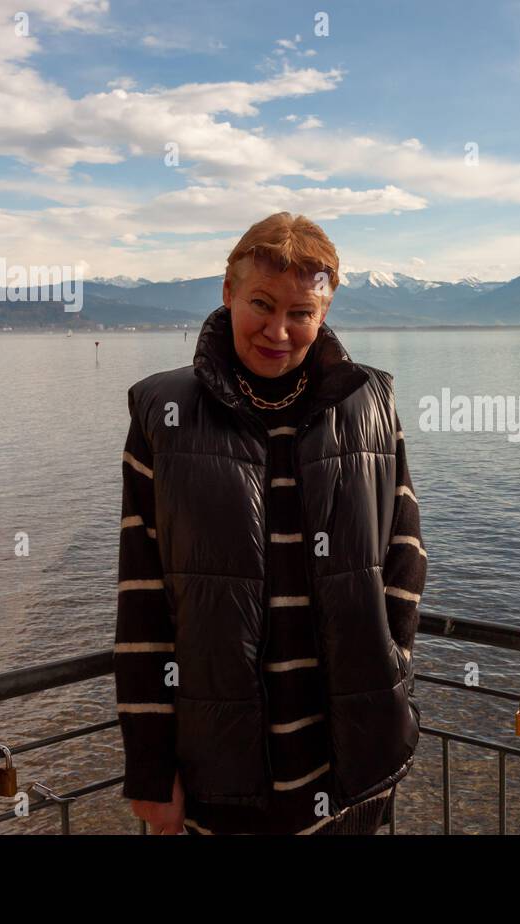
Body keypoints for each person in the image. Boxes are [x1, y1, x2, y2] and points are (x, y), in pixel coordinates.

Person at [113, 212, 427, 834]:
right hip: (222, 770)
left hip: (350, 762)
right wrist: (150, 768)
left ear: (324, 312)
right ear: (228, 292)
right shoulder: (163, 413)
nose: (278, 330)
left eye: (301, 313)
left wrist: (389, 674)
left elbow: (406, 552)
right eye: (261, 303)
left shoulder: (370, 404)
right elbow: (142, 597)